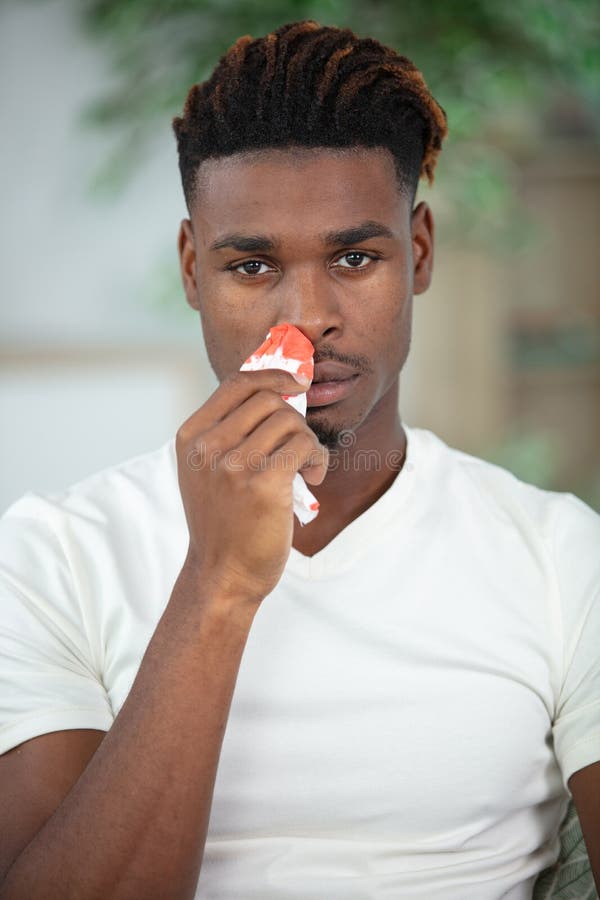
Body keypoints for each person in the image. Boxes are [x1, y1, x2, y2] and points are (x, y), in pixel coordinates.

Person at [0, 20, 598, 900]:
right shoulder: (51, 554)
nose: (308, 316)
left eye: (355, 258)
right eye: (252, 267)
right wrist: (217, 585)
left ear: (420, 253)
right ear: (192, 270)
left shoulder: (560, 556)